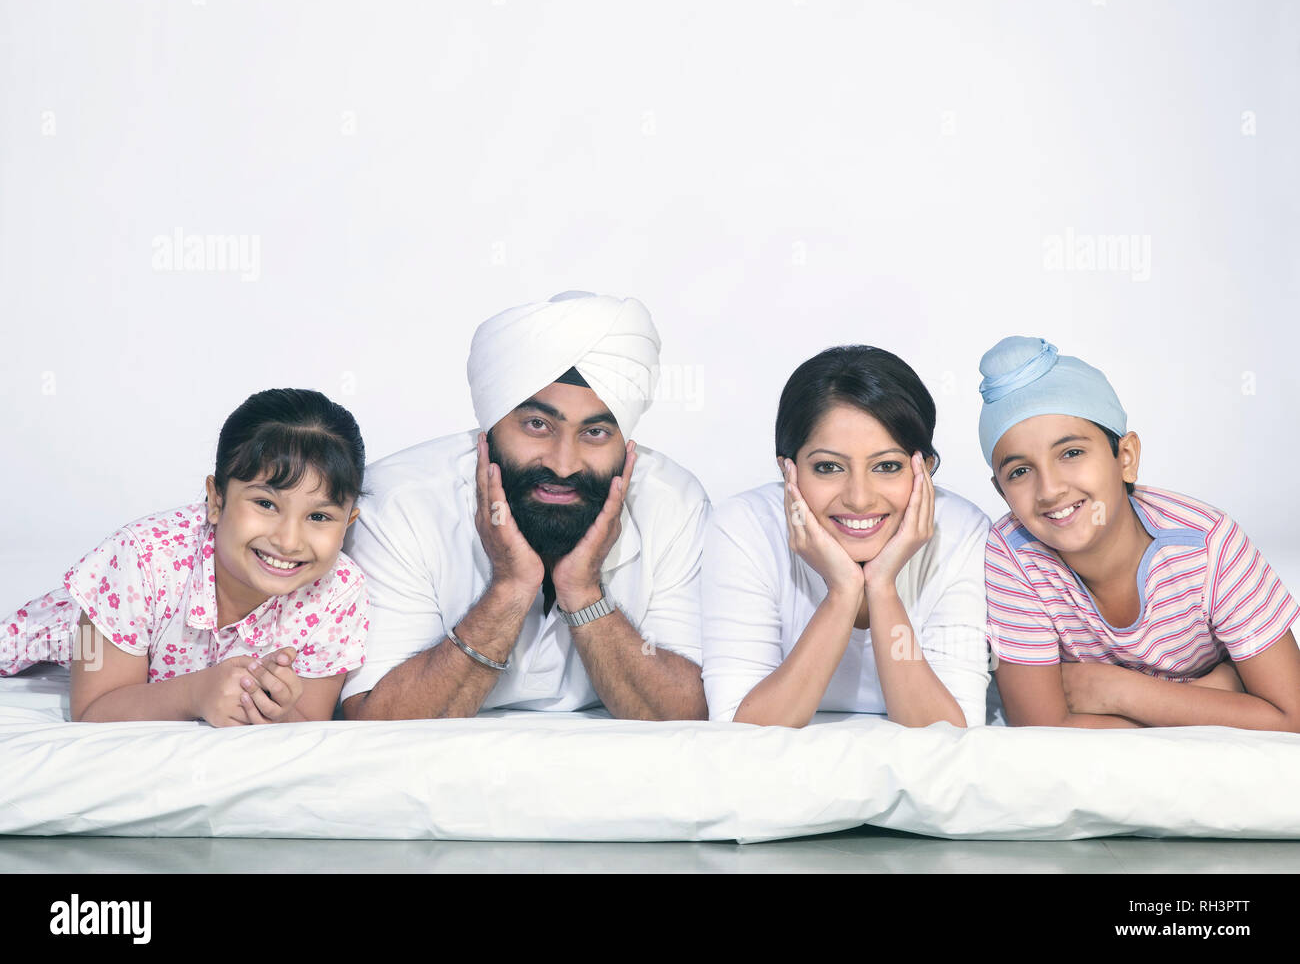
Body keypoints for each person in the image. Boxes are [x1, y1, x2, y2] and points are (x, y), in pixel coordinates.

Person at [340, 290, 710, 721]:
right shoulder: (398, 501)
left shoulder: (673, 503)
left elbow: (684, 718)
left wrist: (582, 590)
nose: (564, 464)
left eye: (595, 433)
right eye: (537, 425)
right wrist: (510, 588)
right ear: (490, 426)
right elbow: (376, 722)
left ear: (626, 444)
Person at [979, 335, 1300, 731]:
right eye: (1020, 472)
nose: (1050, 490)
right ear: (1002, 493)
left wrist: (1119, 692)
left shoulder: (1207, 544)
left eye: (1072, 453)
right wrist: (1218, 695)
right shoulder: (1013, 553)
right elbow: (1041, 728)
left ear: (1125, 458)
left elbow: (1291, 716)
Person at [2, 388, 371, 727]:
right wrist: (195, 694)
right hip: (77, 631)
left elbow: (310, 722)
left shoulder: (339, 592)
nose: (289, 541)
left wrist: (279, 709)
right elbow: (92, 711)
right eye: (265, 504)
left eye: (319, 517)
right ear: (216, 500)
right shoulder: (139, 558)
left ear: (348, 522)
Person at [702, 346, 990, 728]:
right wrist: (842, 592)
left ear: (926, 469)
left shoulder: (961, 531)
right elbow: (740, 730)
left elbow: (951, 734)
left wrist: (882, 586)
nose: (858, 498)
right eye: (828, 467)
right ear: (788, 470)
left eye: (887, 466)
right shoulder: (744, 527)